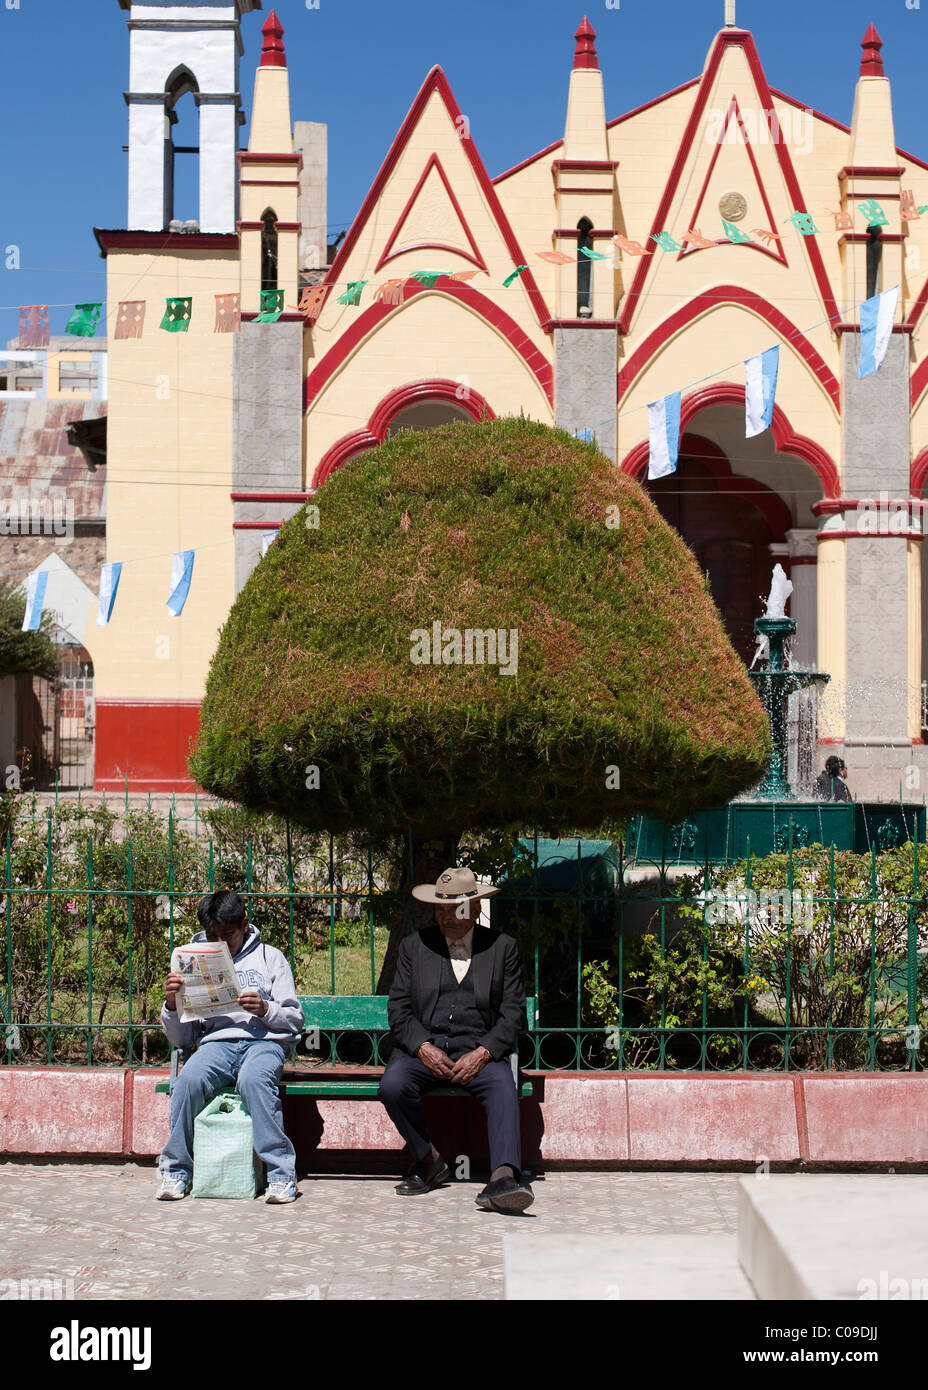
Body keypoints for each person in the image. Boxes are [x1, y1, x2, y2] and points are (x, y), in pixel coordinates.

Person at [378, 866, 534, 1214]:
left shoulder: (502, 948)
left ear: (475, 909)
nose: (446, 917)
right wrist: (423, 1047)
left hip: (479, 1052)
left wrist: (484, 1053)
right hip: (423, 1053)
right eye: (440, 909)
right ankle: (428, 1159)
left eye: (455, 909)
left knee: (503, 1088)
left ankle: (503, 1177)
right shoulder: (414, 947)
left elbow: (513, 1014)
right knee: (393, 1085)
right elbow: (399, 1009)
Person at [156, 889, 303, 1204]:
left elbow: (294, 1020)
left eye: (228, 935)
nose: (221, 942)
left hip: (263, 1041)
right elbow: (182, 1040)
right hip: (215, 1043)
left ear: (245, 925)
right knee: (187, 1082)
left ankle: (280, 1174)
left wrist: (265, 1009)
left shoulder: (270, 957)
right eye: (213, 936)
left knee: (254, 1080)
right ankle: (176, 1171)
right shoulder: (192, 960)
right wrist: (171, 1004)